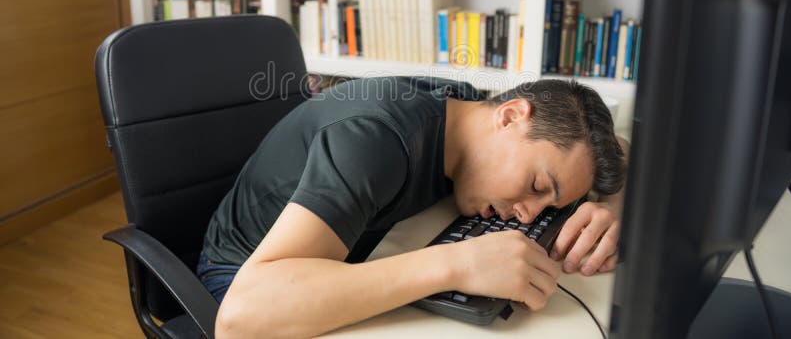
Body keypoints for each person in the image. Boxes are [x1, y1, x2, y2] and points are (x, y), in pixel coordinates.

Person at [200, 76, 627, 338]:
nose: (530, 214)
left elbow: (622, 147)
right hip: (248, 280)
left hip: (346, 255)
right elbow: (240, 319)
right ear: (511, 116)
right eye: (537, 186)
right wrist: (456, 264)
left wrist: (611, 207)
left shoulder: (465, 105)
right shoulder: (374, 141)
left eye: (553, 204)